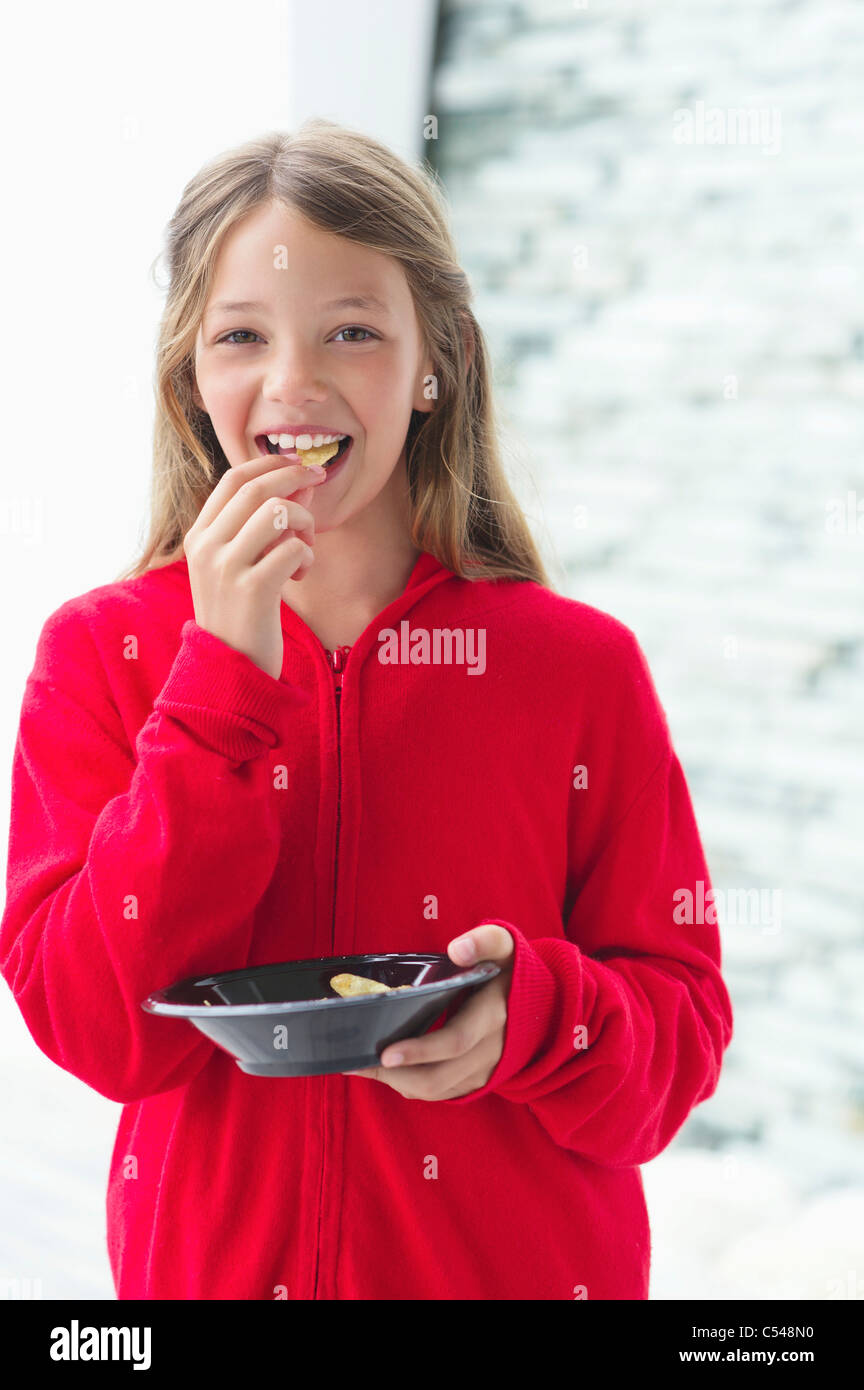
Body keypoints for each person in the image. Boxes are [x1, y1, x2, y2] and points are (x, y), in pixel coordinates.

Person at [0, 119, 733, 1300]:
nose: (294, 384)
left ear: (434, 363)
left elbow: (680, 1041)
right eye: (241, 336)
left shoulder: (578, 669)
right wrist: (217, 688)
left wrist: (533, 1021)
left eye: (353, 331)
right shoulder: (103, 656)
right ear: (191, 373)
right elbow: (100, 1031)